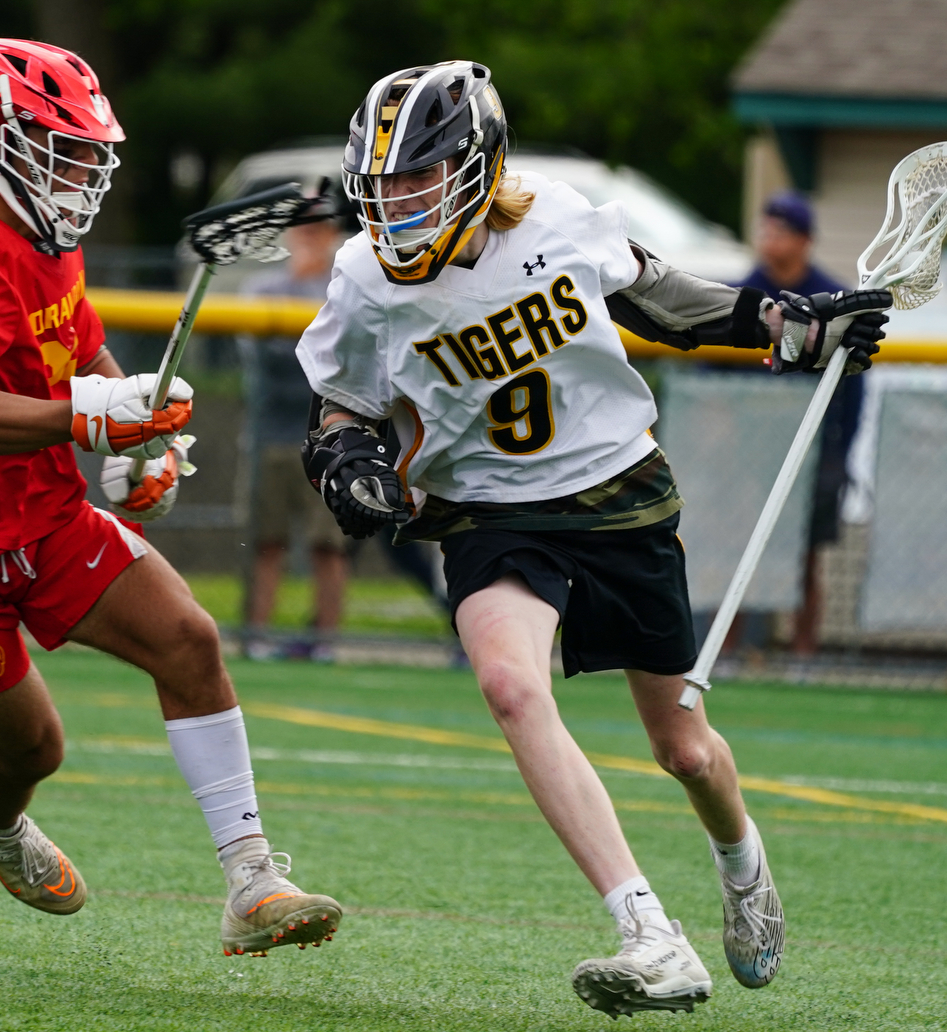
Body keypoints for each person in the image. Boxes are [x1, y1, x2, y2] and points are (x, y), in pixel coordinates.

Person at [296, 62, 889, 1016]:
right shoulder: (366, 275)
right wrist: (347, 462)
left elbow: (668, 301)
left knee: (685, 749)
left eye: (420, 179)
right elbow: (340, 407)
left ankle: (742, 867)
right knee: (509, 684)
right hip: (489, 513)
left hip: (616, 494)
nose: (398, 205)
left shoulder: (562, 221)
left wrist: (793, 329)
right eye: (385, 185)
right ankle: (650, 933)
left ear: (480, 167)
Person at [0, 34, 340, 957]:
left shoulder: (41, 235)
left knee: (188, 639)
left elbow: (77, 344)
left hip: (38, 512)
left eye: (83, 151)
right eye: (58, 148)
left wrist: (146, 432)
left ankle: (252, 879)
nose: (76, 170)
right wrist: (88, 415)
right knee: (33, 750)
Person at [737, 191, 864, 655]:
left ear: (804, 240)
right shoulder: (743, 291)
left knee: (806, 556)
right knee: (741, 549)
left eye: (782, 229)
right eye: (766, 226)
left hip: (811, 448)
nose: (770, 237)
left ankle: (803, 653)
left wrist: (841, 451)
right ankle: (728, 652)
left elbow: (854, 384)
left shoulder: (831, 296)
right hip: (750, 453)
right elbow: (709, 375)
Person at [241, 215, 351, 661]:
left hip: (327, 436)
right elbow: (266, 356)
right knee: (268, 541)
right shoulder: (263, 288)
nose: (312, 238)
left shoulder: (344, 287)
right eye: (304, 228)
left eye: (321, 229)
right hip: (271, 436)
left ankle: (327, 641)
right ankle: (255, 636)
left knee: (328, 545)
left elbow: (342, 360)